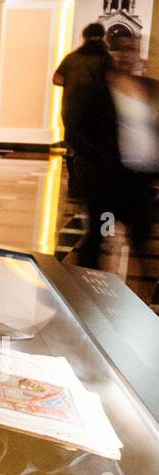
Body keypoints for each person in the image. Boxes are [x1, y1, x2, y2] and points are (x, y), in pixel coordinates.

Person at [54, 23, 120, 268]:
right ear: (102, 37)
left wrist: (73, 85)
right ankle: (100, 228)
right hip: (95, 122)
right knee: (95, 164)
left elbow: (57, 78)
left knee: (74, 149)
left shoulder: (72, 58)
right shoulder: (105, 60)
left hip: (71, 114)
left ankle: (76, 184)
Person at [106, 34, 159, 295]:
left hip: (141, 178)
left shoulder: (147, 87)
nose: (125, 55)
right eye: (120, 49)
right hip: (110, 179)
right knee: (102, 237)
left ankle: (143, 300)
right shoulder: (102, 88)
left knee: (141, 238)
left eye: (130, 49)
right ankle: (92, 296)